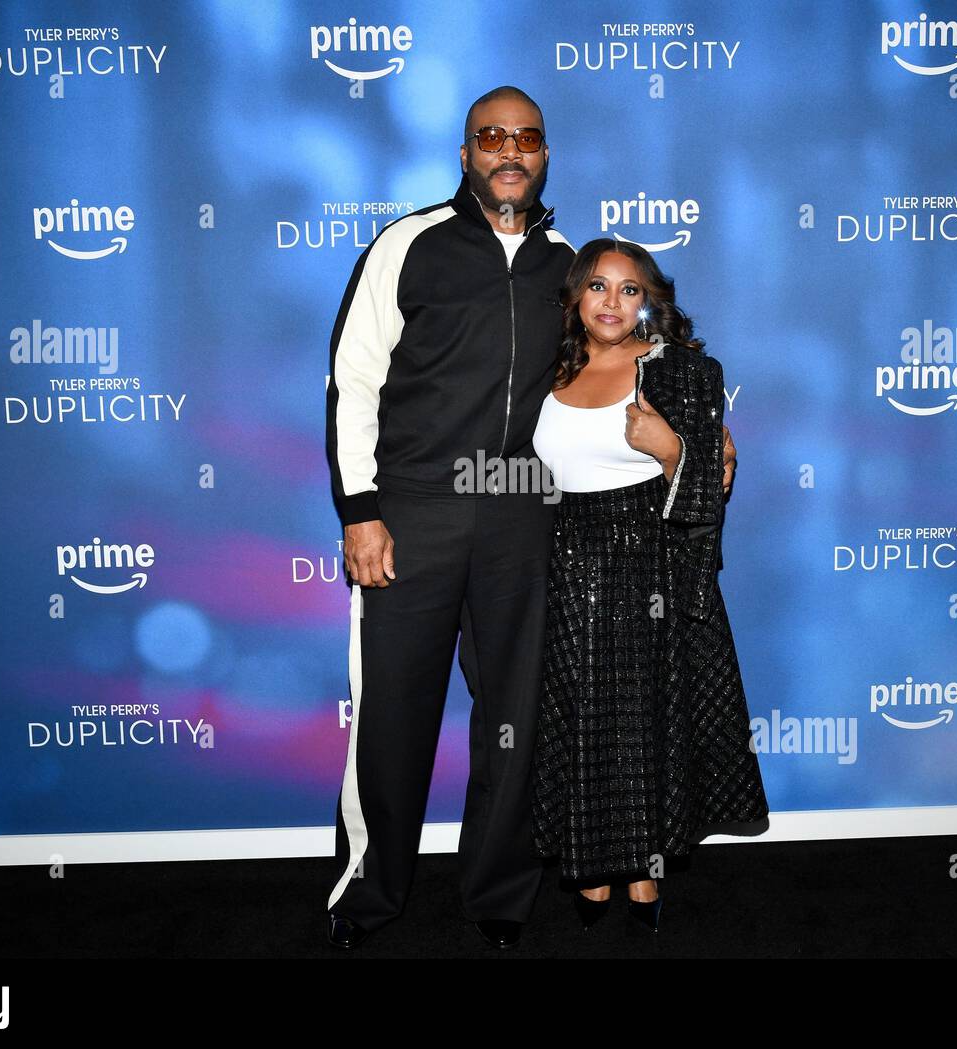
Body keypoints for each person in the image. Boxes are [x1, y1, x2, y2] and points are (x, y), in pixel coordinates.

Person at [323, 85, 575, 949]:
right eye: (491, 136)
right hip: (416, 512)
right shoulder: (408, 244)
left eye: (527, 138)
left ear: (545, 155)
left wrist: (696, 433)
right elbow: (352, 383)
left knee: (517, 714)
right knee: (393, 715)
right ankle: (368, 898)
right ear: (464, 153)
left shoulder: (569, 262)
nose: (510, 150)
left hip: (520, 516)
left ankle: (500, 898)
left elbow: (612, 376)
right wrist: (362, 512)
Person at [530, 239, 769, 932]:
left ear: (650, 300)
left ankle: (642, 873)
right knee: (578, 720)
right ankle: (593, 866)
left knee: (640, 722)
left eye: (628, 289)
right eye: (597, 286)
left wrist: (674, 451)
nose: (611, 302)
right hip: (562, 562)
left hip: (648, 564)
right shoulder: (544, 371)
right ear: (576, 295)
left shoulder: (683, 373)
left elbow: (707, 491)